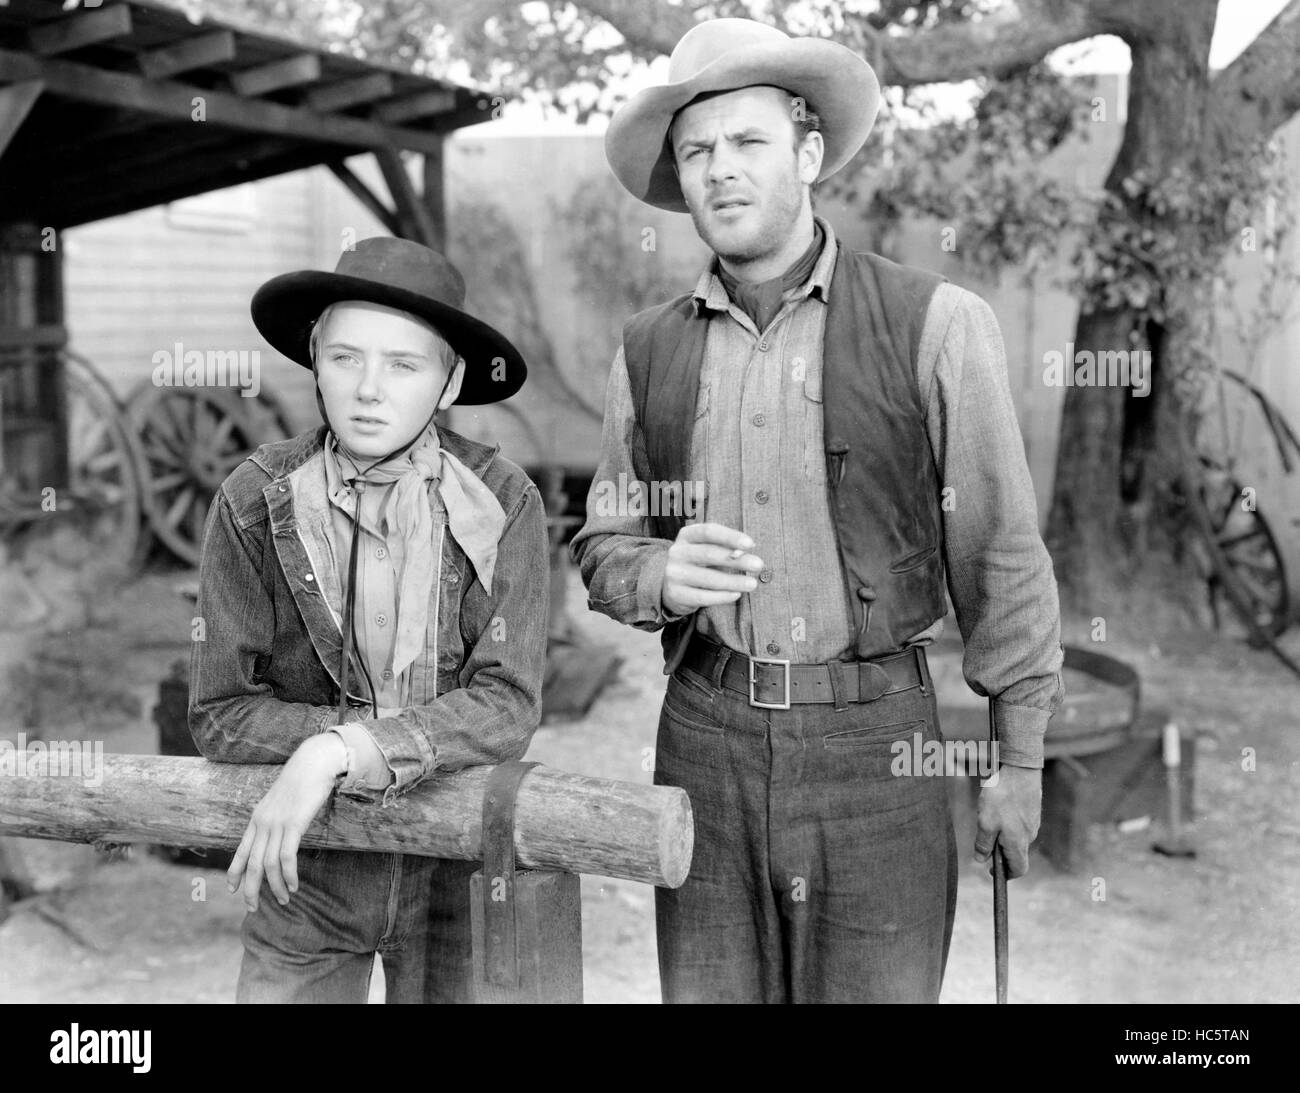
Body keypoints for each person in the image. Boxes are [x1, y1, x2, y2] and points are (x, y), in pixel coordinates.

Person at [571, 17, 1064, 1003]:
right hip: (702, 736)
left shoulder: (936, 324)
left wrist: (1018, 758)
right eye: (697, 152)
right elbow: (602, 542)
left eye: (747, 142)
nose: (720, 170)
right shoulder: (647, 349)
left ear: (806, 153)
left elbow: (1001, 551)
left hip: (879, 743)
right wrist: (653, 574)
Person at [189, 237, 549, 1003]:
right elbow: (221, 711)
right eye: (346, 357)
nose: (369, 390)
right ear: (314, 357)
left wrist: (336, 752)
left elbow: (508, 702)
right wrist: (322, 747)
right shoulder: (254, 501)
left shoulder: (501, 500)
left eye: (404, 365)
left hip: (456, 860)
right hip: (309, 867)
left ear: (450, 381)